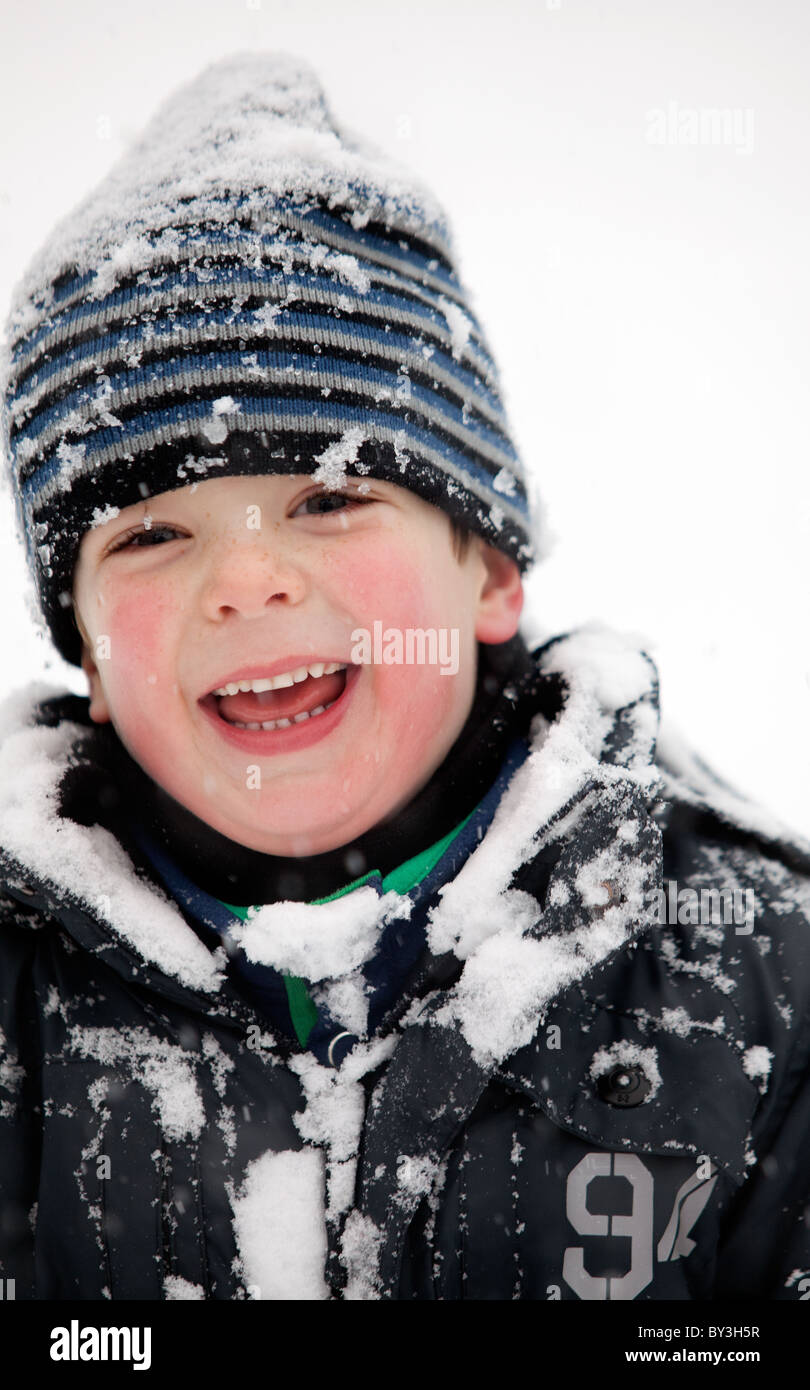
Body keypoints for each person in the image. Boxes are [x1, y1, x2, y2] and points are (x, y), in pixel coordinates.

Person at [1, 50, 809, 1303]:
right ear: (89, 654)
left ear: (488, 571)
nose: (246, 582)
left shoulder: (761, 975)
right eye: (152, 533)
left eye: (328, 496)